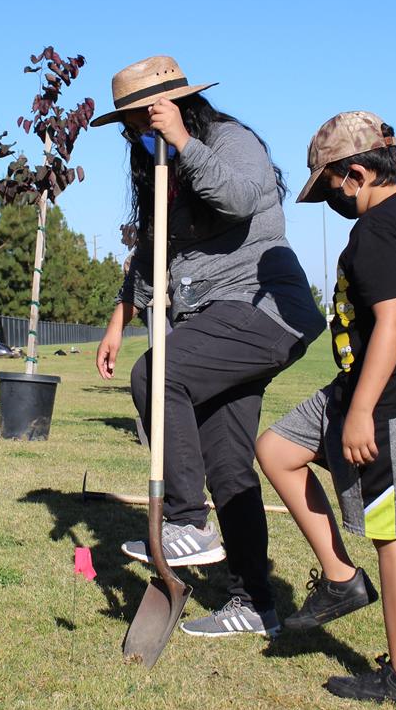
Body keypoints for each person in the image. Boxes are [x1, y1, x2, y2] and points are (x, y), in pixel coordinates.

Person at [92, 55, 325, 637]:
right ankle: (255, 603)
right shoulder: (158, 171)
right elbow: (153, 253)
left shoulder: (229, 140)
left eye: (141, 120)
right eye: (129, 126)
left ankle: (188, 522)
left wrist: (184, 144)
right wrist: (121, 317)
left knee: (157, 375)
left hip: (262, 310)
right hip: (214, 317)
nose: (134, 134)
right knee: (228, 464)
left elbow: (245, 198)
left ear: (176, 107)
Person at [257, 111, 396, 707]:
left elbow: (394, 319)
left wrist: (365, 409)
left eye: (332, 188)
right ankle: (341, 580)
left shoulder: (376, 232)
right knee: (277, 449)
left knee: (393, 537)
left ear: (357, 173)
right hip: (358, 386)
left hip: (383, 401)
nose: (331, 201)